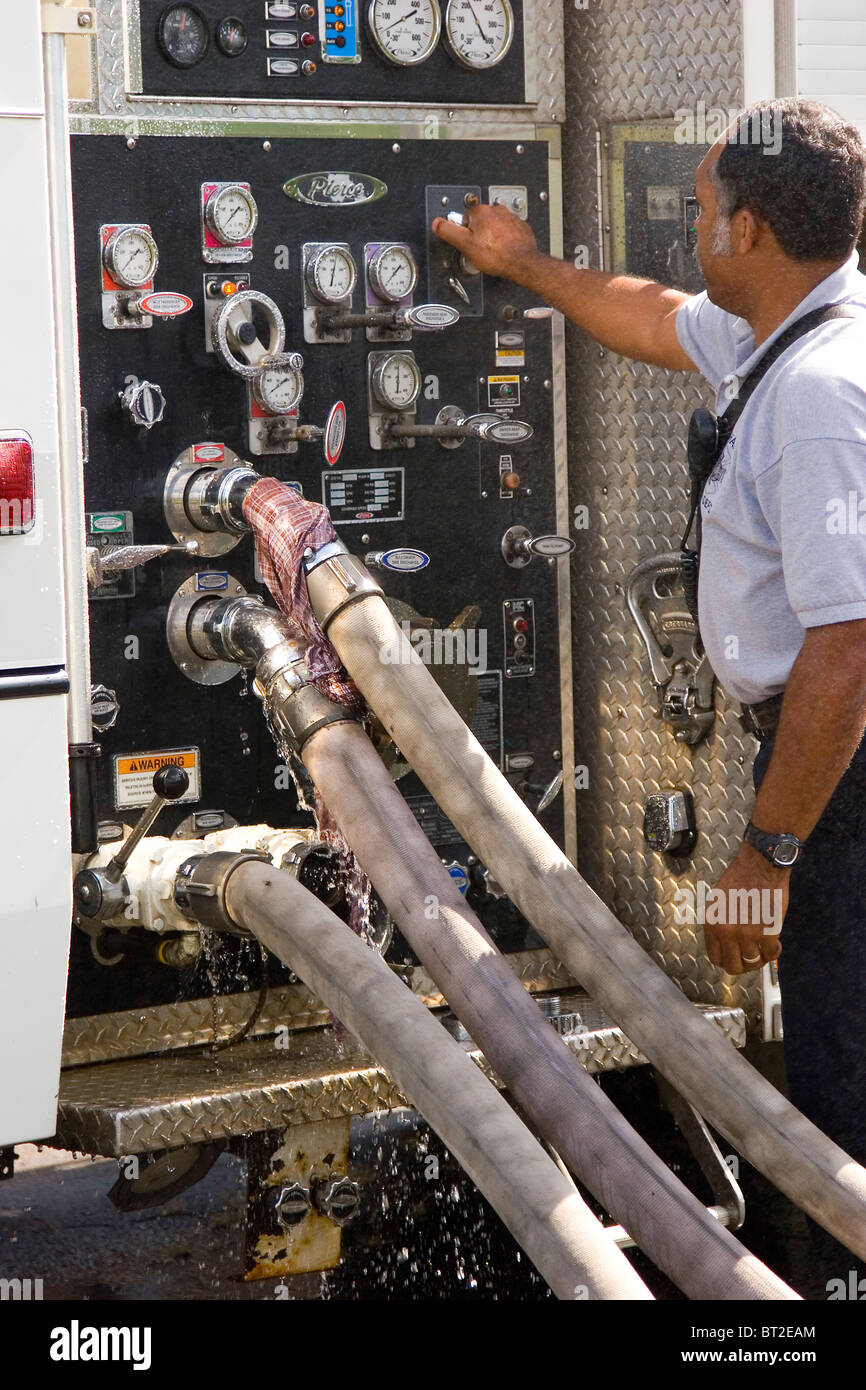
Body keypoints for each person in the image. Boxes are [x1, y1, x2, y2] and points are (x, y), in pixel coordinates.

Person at [434, 98, 866, 1285]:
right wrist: (522, 265)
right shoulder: (779, 332)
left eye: (699, 213)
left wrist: (764, 858)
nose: (688, 233)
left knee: (845, 1064)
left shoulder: (823, 392)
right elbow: (655, 316)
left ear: (752, 231)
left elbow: (848, 649)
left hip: (844, 763)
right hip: (824, 748)